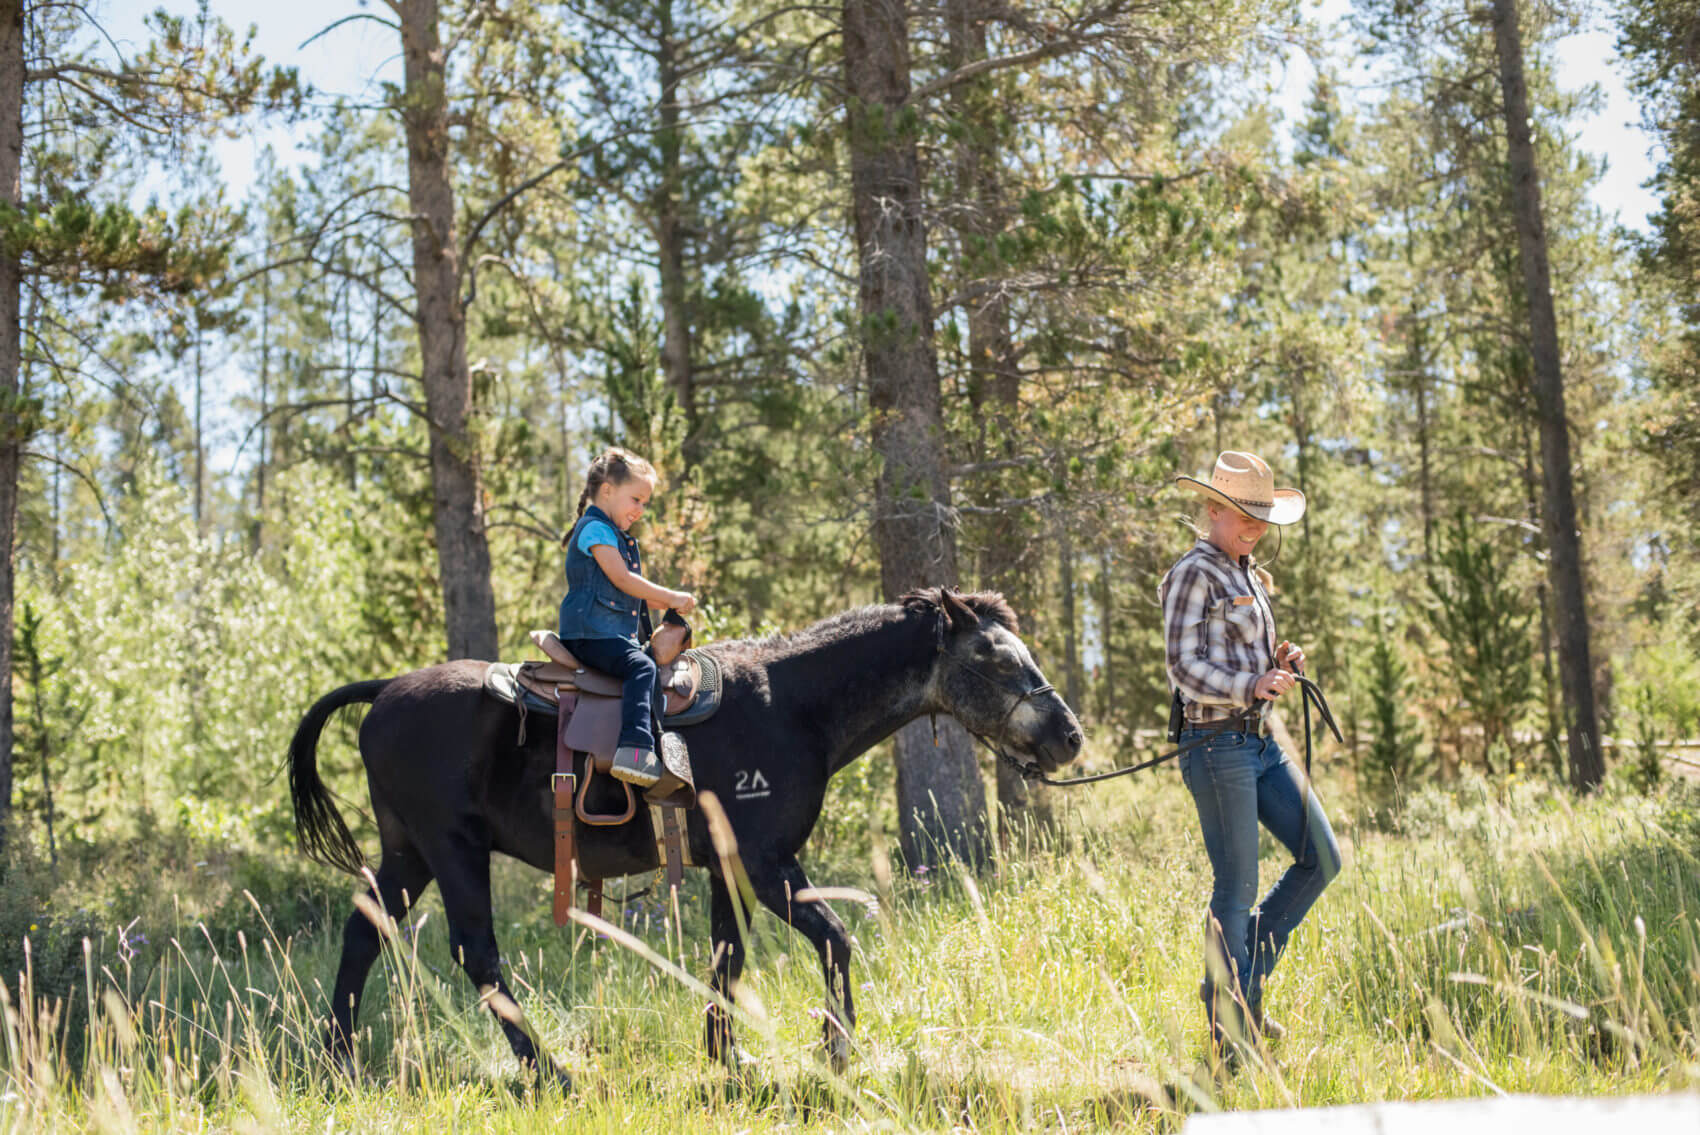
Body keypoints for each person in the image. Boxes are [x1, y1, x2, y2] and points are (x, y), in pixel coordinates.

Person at [1159, 450, 1342, 1059]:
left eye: (1261, 514)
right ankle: (1231, 1030)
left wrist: (1276, 665)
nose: (1255, 525)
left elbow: (1231, 657)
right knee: (1236, 886)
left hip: (1256, 742)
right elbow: (1183, 667)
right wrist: (1251, 685)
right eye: (1243, 513)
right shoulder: (1195, 573)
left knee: (1322, 858)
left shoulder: (1247, 575)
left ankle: (1238, 991)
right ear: (1212, 510)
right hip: (1214, 744)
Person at [558, 447, 697, 787]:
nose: (640, 510)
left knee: (646, 663)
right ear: (607, 490)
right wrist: (672, 596)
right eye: (636, 499)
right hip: (589, 634)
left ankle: (659, 742)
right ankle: (634, 750)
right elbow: (622, 579)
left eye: (644, 503)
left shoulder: (613, 533)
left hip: (607, 634)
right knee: (641, 667)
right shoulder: (595, 530)